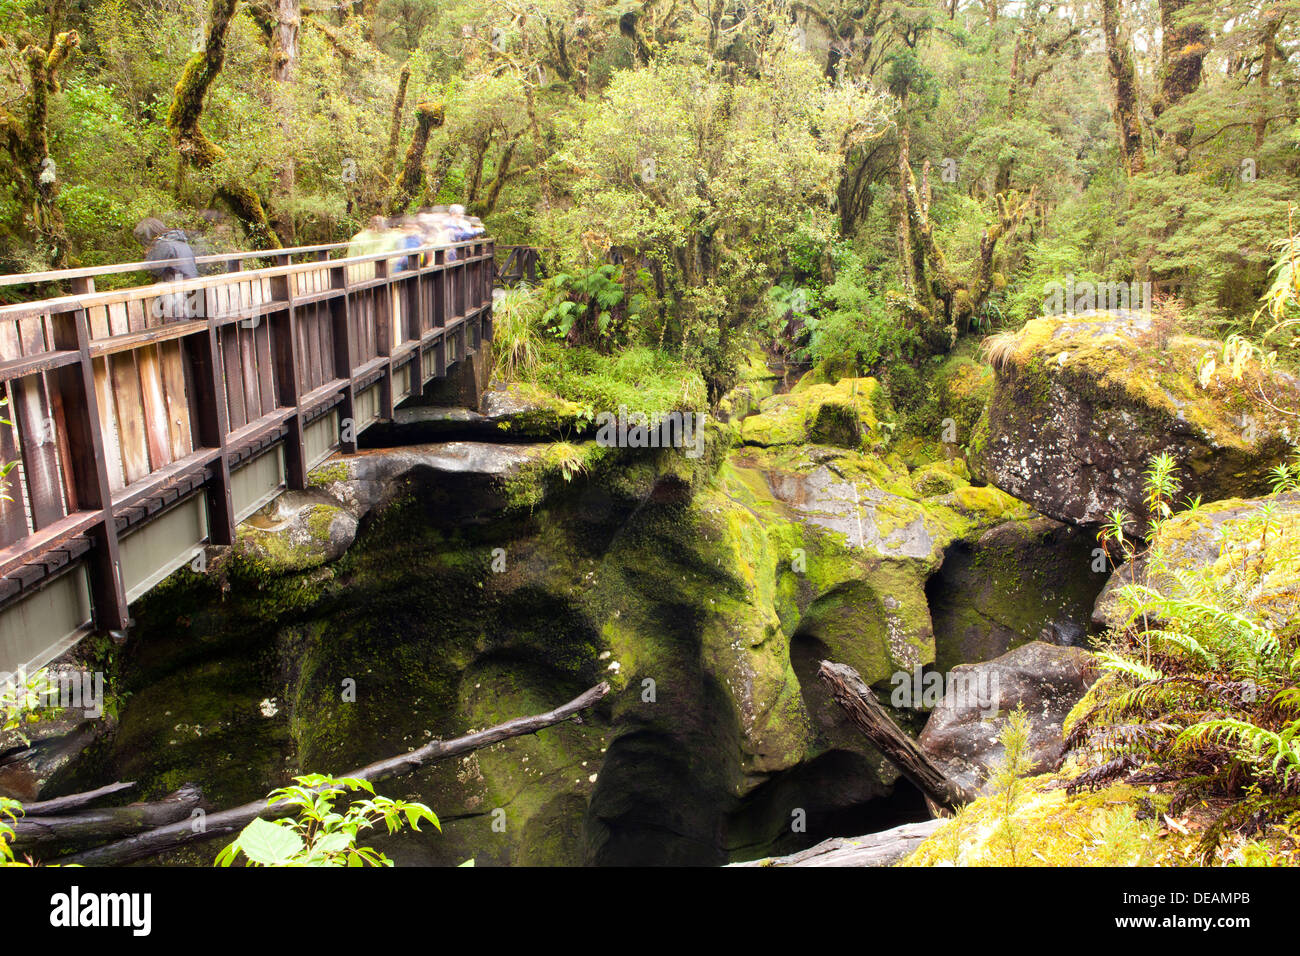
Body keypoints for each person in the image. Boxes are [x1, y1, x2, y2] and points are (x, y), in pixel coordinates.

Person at [134, 217, 198, 322]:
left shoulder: (164, 244)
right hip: (191, 288)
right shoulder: (179, 240)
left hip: (178, 292)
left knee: (176, 326)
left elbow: (153, 268)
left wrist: (150, 252)